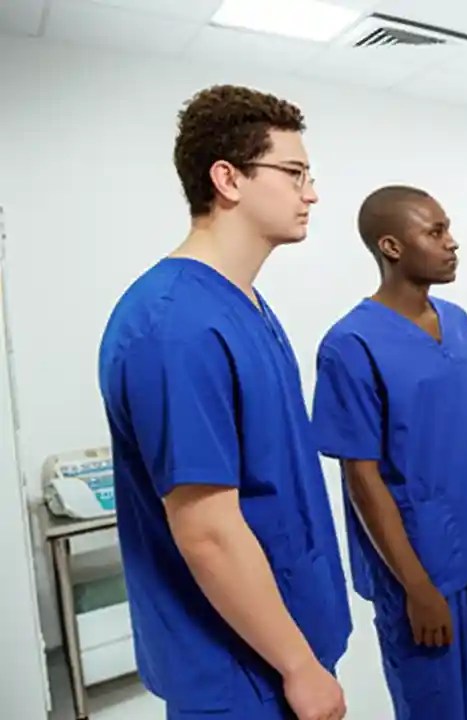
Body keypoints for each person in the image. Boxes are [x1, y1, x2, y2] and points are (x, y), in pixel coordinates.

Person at [97, 85, 351, 720]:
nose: (311, 192)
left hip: (285, 641)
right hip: (236, 674)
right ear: (228, 179)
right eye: (294, 173)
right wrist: (297, 666)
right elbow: (207, 530)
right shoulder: (174, 326)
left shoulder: (246, 306)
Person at [310, 185, 467, 719]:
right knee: (435, 704)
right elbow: (361, 479)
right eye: (436, 231)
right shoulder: (350, 344)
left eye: (448, 228)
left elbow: (466, 431)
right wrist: (418, 585)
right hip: (418, 561)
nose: (452, 243)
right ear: (392, 246)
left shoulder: (458, 322)